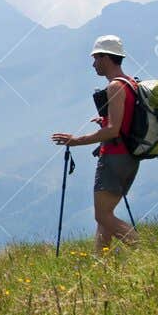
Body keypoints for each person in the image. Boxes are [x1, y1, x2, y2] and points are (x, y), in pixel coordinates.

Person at [50, 34, 140, 252]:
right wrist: (105, 121)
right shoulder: (131, 83)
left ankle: (143, 249)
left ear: (106, 58)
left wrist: (75, 141)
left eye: (96, 58)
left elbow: (113, 131)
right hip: (129, 157)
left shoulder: (115, 87)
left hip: (115, 157)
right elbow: (124, 123)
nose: (93, 64)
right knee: (105, 216)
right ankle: (101, 262)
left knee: (102, 215)